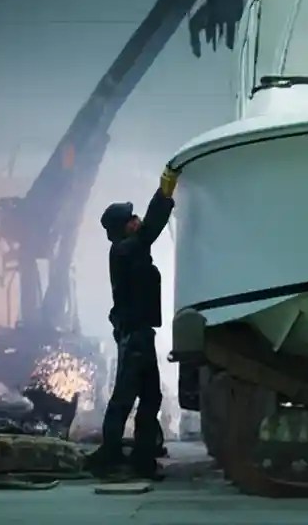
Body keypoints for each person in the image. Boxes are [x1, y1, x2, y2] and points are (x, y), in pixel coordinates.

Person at [85, 166, 179, 480]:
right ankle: (112, 456)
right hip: (135, 335)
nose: (137, 220)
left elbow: (148, 228)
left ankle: (141, 459)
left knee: (149, 397)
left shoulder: (129, 250)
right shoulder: (127, 250)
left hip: (139, 334)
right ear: (123, 228)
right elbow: (152, 226)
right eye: (131, 218)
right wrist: (165, 190)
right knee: (126, 397)